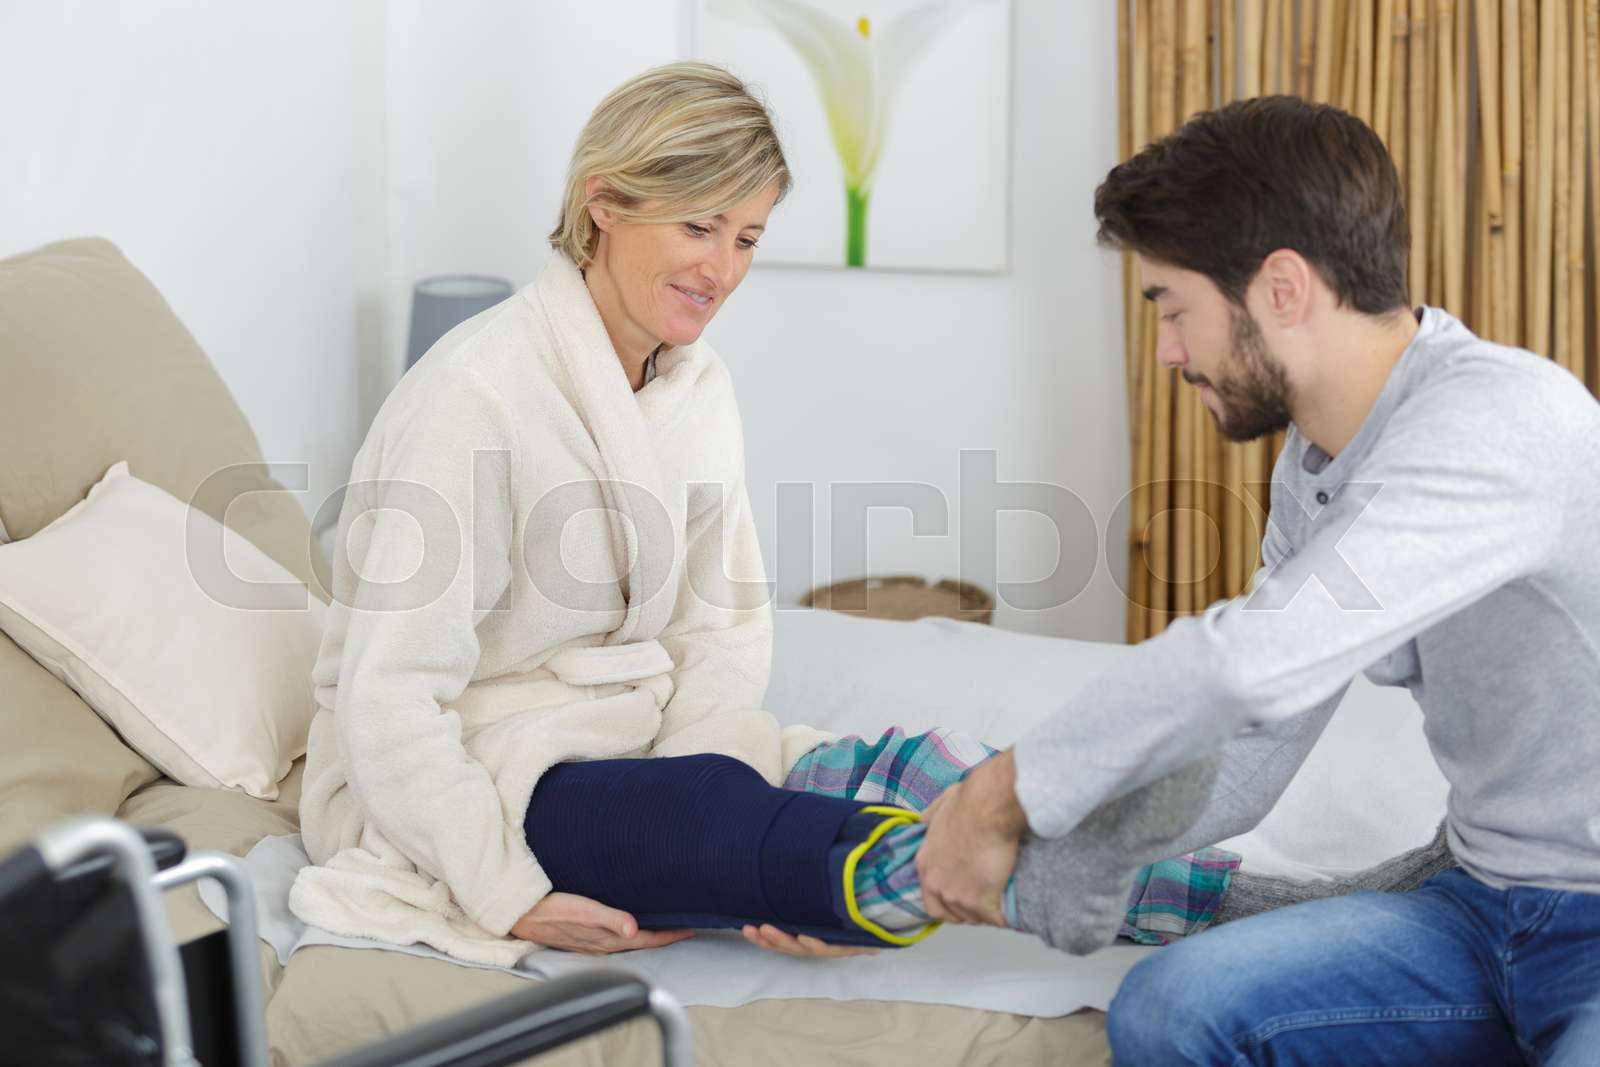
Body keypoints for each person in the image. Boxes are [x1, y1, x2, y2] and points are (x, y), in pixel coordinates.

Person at [288, 62, 1235, 967]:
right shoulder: (473, 396)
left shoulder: (696, 387)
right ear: (603, 205)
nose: (723, 270)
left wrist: (698, 771)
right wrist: (503, 891)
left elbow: (723, 626)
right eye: (700, 226)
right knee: (789, 835)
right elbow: (390, 697)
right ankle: (919, 882)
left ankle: (1260, 895)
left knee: (934, 774)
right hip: (489, 772)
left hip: (649, 750)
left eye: (746, 238)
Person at [914, 94, 1600, 1064]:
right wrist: (1075, 848)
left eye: (1172, 307)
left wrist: (999, 795)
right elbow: (1256, 743)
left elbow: (1240, 665)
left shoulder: (1500, 418)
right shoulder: (1312, 463)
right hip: (1481, 907)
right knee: (1167, 1008)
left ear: (1280, 287)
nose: (1166, 351)